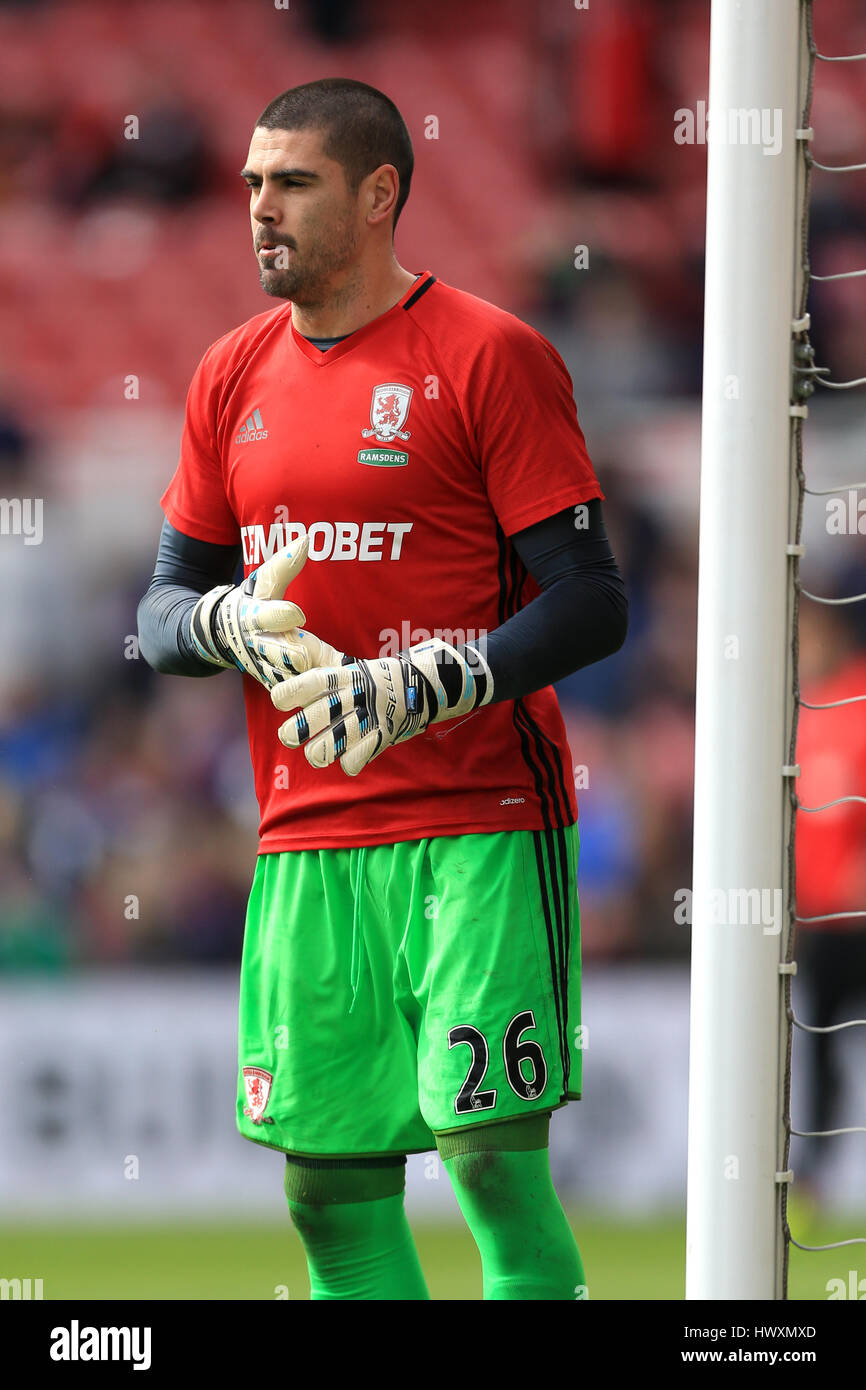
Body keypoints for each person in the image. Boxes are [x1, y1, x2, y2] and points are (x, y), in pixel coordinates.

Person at [138, 77, 628, 1301]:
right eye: (252, 182)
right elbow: (153, 619)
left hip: (475, 823)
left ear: (377, 194)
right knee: (326, 1192)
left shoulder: (490, 355)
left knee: (487, 1164)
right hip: (306, 831)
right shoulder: (226, 377)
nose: (260, 208)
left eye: (291, 183)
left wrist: (438, 675)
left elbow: (590, 600)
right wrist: (220, 622)